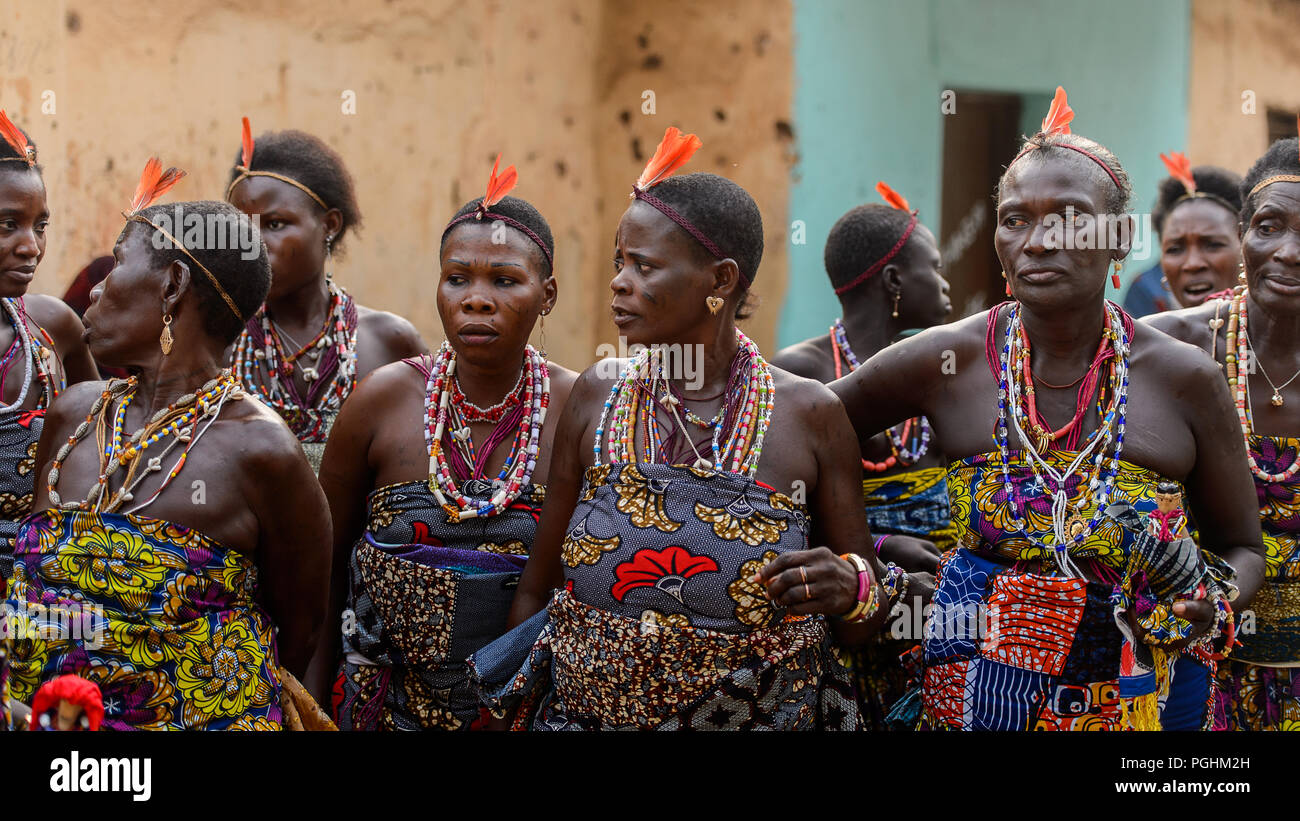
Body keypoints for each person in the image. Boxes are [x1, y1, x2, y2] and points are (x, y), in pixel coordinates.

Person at [830, 88, 1264, 730]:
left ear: (1118, 238)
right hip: (976, 683)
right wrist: (872, 551)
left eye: (1067, 218)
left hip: (1147, 690)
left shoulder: (1185, 378)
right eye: (1014, 218)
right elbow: (805, 427)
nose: (1037, 241)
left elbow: (1242, 547)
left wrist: (1212, 598)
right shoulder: (948, 361)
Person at [471, 127, 886, 731]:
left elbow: (859, 622)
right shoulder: (596, 397)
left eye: (643, 266)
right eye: (619, 263)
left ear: (720, 281)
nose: (618, 282)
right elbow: (538, 591)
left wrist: (852, 587)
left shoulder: (809, 416)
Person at [2, 159, 332, 730]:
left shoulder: (260, 451)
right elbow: (30, 584)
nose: (98, 285)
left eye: (119, 262)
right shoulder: (74, 413)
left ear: (174, 285)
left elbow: (298, 627)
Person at [317, 158, 577, 729]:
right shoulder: (380, 403)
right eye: (458, 278)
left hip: (523, 713)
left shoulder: (577, 410)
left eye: (505, 281)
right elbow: (326, 570)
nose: (477, 299)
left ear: (548, 294)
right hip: (381, 710)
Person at [771, 183, 950, 728]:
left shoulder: (940, 368)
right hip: (844, 610)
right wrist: (879, 544)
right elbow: (775, 521)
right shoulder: (802, 376)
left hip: (938, 611)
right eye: (935, 267)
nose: (946, 283)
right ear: (895, 281)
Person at [1144, 127, 1300, 730]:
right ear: (1244, 235)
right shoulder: (1169, 348)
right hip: (1191, 674)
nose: (1287, 251)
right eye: (1268, 227)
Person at [225, 118, 428, 472]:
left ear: (330, 225)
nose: (252, 245)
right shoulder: (221, 343)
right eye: (241, 227)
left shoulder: (390, 343)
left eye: (275, 224)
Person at [0, 111, 98, 582]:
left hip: (40, 598)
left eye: (40, 225)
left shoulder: (54, 326)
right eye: (7, 225)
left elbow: (103, 440)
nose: (31, 247)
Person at [1152, 152, 1243, 309]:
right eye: (1174, 249)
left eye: (1213, 245)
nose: (1193, 264)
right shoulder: (1139, 331)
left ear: (1246, 247)